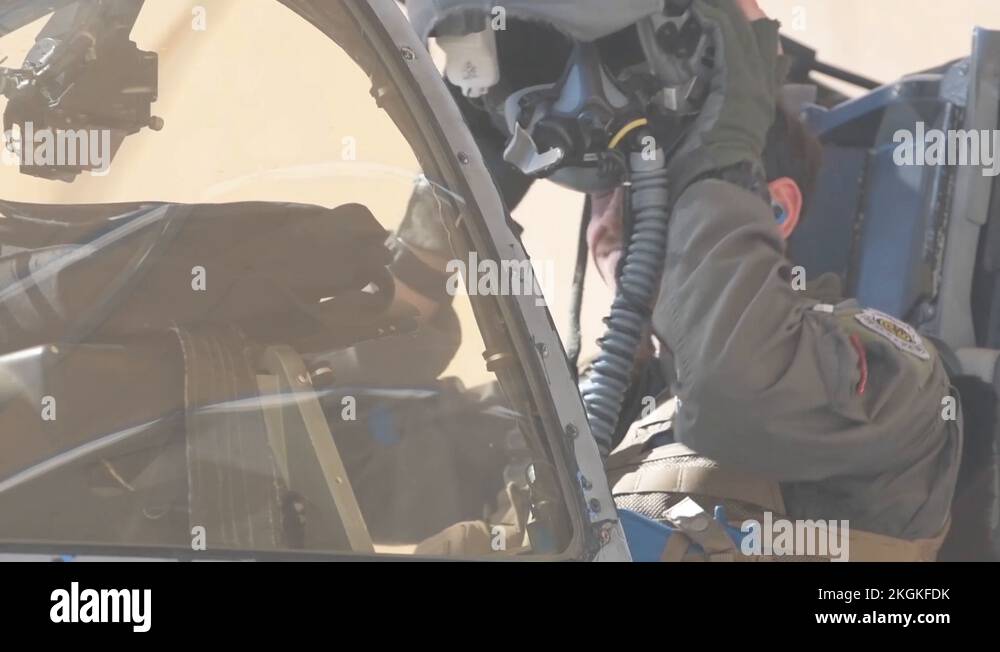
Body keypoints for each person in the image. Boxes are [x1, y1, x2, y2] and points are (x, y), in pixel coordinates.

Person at [584, 0, 961, 561]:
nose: (606, 224)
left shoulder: (895, 377)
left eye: (650, 188)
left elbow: (733, 388)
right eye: (600, 196)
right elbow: (418, 440)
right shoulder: (615, 394)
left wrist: (728, 134)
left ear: (775, 210)